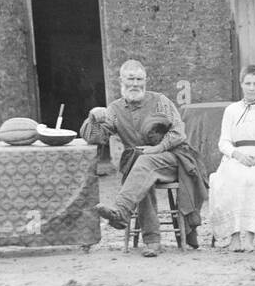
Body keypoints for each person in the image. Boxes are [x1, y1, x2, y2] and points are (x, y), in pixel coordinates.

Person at [80, 60, 201, 257]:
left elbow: (179, 133)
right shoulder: (114, 110)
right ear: (121, 80)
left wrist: (157, 149)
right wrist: (92, 117)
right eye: (130, 79)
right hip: (141, 164)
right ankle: (152, 242)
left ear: (146, 80)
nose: (135, 84)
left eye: (139, 79)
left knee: (141, 163)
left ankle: (121, 213)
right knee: (140, 169)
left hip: (172, 159)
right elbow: (95, 138)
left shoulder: (160, 101)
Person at [206, 65, 255, 252]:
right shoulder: (231, 110)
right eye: (248, 83)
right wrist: (237, 155)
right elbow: (224, 142)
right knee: (231, 179)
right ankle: (234, 237)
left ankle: (250, 236)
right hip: (237, 157)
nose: (252, 88)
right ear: (242, 84)